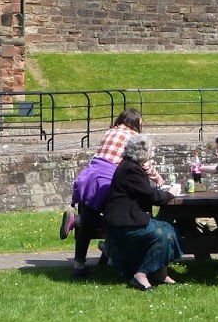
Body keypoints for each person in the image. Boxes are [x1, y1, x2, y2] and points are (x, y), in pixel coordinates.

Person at [62, 108, 165, 278]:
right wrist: (158, 180)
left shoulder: (110, 132)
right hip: (107, 180)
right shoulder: (132, 137)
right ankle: (117, 255)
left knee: (87, 224)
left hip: (89, 176)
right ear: (134, 123)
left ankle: (79, 265)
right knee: (121, 216)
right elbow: (144, 163)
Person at [100, 134, 183, 291]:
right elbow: (151, 197)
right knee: (166, 234)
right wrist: (171, 193)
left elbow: (143, 193)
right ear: (144, 152)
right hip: (125, 224)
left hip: (128, 219)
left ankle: (160, 272)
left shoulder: (129, 166)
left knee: (168, 228)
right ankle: (141, 274)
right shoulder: (131, 169)